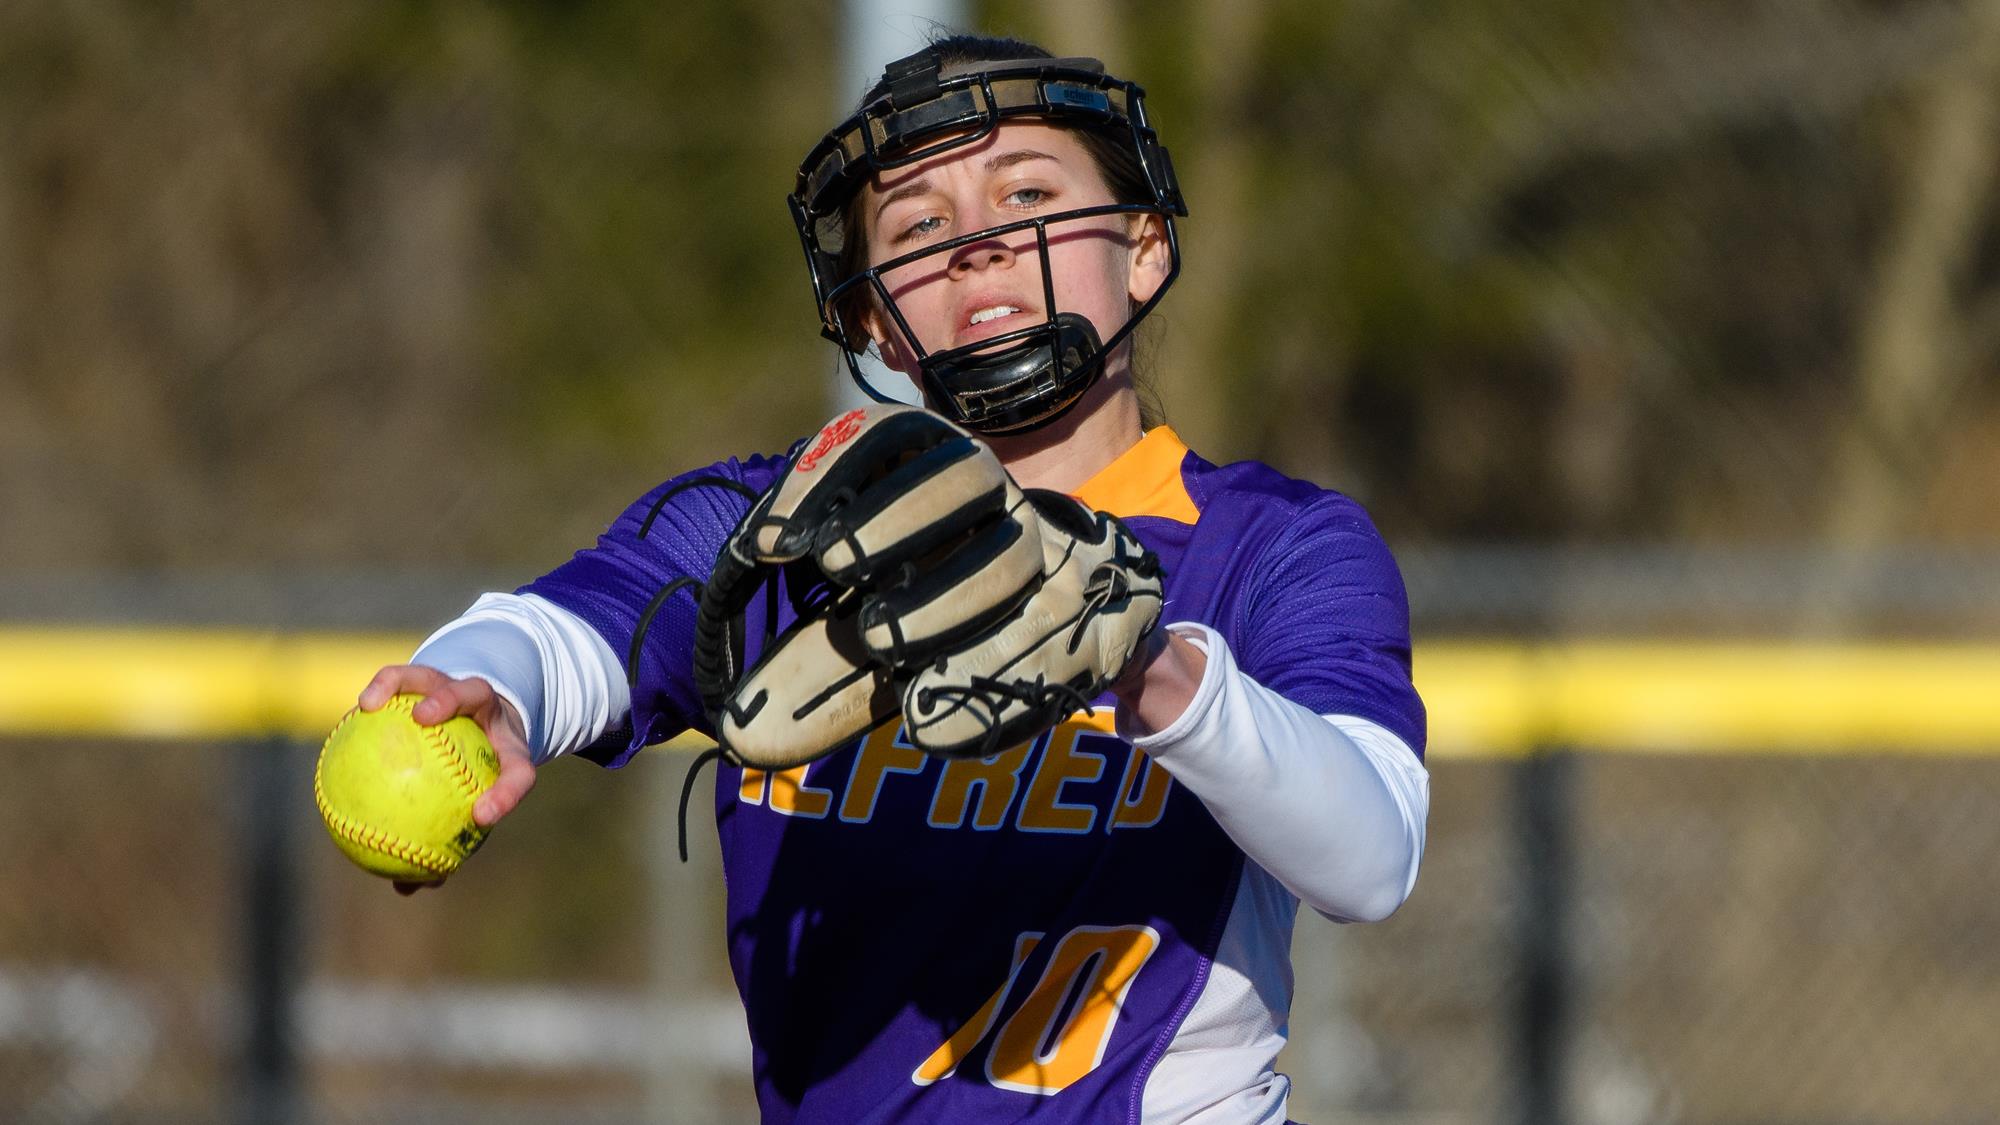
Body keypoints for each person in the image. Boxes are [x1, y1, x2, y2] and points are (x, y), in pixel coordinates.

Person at [357, 33, 1429, 1125]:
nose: (976, 245)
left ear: (1140, 247)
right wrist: (486, 686)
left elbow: (1369, 858)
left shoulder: (1274, 543)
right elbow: (563, 627)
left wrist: (1148, 668)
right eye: (919, 226)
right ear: (873, 316)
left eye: (1024, 192)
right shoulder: (778, 532)